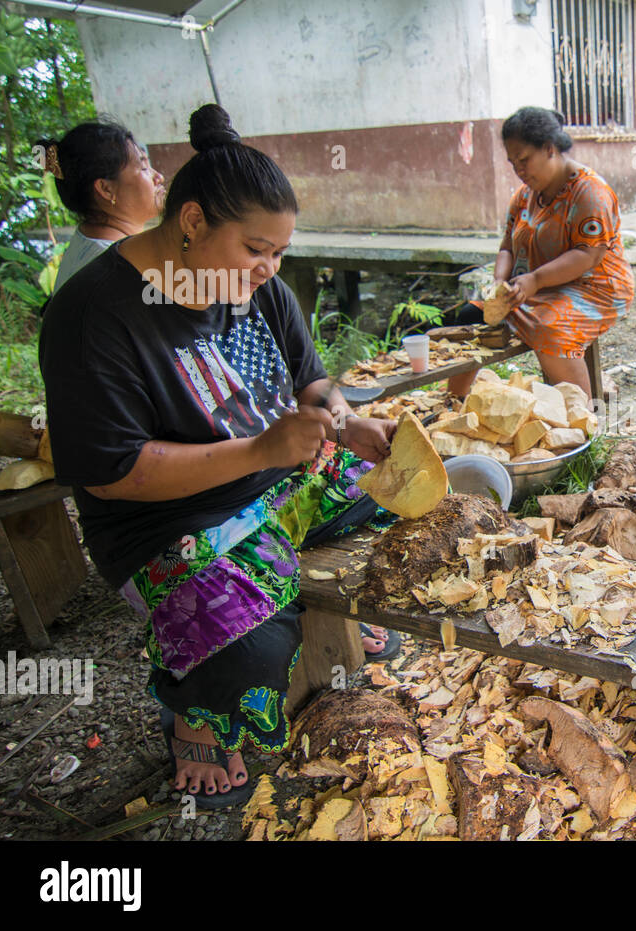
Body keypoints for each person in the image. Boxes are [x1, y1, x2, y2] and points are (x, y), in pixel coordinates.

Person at [39, 104, 403, 807]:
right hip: (167, 525)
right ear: (194, 221)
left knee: (402, 490)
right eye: (255, 250)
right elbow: (114, 476)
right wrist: (261, 447)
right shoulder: (93, 314)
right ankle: (193, 716)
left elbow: (315, 383)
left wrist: (347, 422)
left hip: (278, 483)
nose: (268, 270)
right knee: (251, 654)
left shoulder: (257, 289)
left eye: (279, 254)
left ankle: (319, 608)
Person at [448, 107, 634, 400]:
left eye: (524, 160)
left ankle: (580, 422)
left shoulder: (590, 192)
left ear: (549, 148)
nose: (519, 171)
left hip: (595, 287)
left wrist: (535, 279)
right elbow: (508, 245)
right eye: (512, 164)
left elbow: (588, 255)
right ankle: (453, 403)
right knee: (470, 316)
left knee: (550, 328)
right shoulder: (523, 196)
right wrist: (499, 281)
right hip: (536, 288)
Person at [36, 119, 165, 290]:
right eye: (143, 168)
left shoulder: (90, 244)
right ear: (106, 189)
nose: (159, 178)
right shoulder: (121, 270)